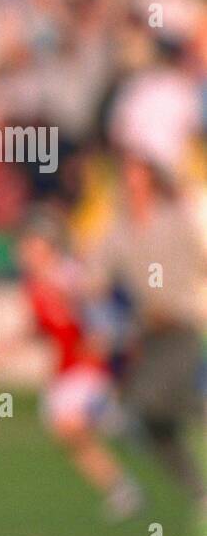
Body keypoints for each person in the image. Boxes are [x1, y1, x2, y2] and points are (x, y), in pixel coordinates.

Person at [89, 156, 206, 514]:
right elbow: (95, 278)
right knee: (152, 418)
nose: (131, 186)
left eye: (137, 179)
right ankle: (200, 492)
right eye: (126, 179)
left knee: (159, 403)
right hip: (148, 334)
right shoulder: (118, 232)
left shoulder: (174, 221)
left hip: (182, 323)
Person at [11, 216, 144, 521]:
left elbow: (100, 309)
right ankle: (123, 484)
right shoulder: (33, 285)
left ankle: (129, 449)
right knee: (67, 433)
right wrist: (13, 342)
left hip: (90, 365)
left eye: (31, 245)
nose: (25, 251)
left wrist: (105, 336)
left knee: (69, 424)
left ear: (47, 246)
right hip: (66, 369)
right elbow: (47, 327)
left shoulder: (68, 275)